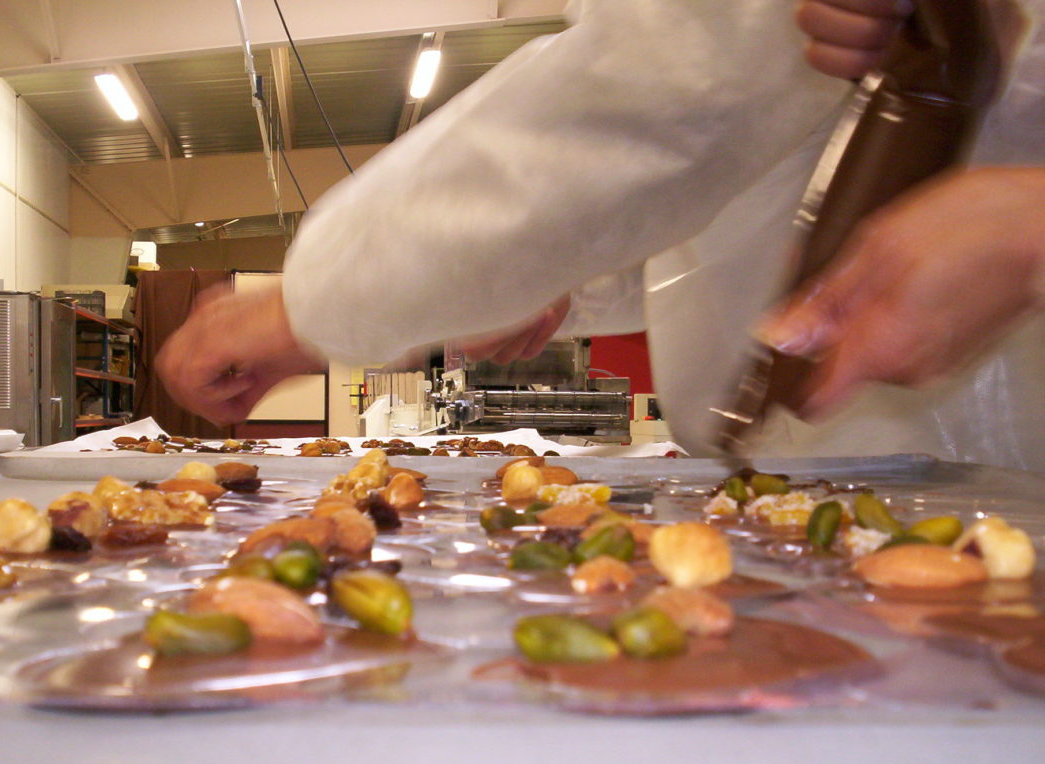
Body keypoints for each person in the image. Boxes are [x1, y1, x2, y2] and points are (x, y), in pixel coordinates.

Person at [160, 0, 1045, 470]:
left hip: (968, 454)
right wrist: (564, 280)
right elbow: (731, 168)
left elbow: (659, 90)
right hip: (837, 462)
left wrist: (315, 303)